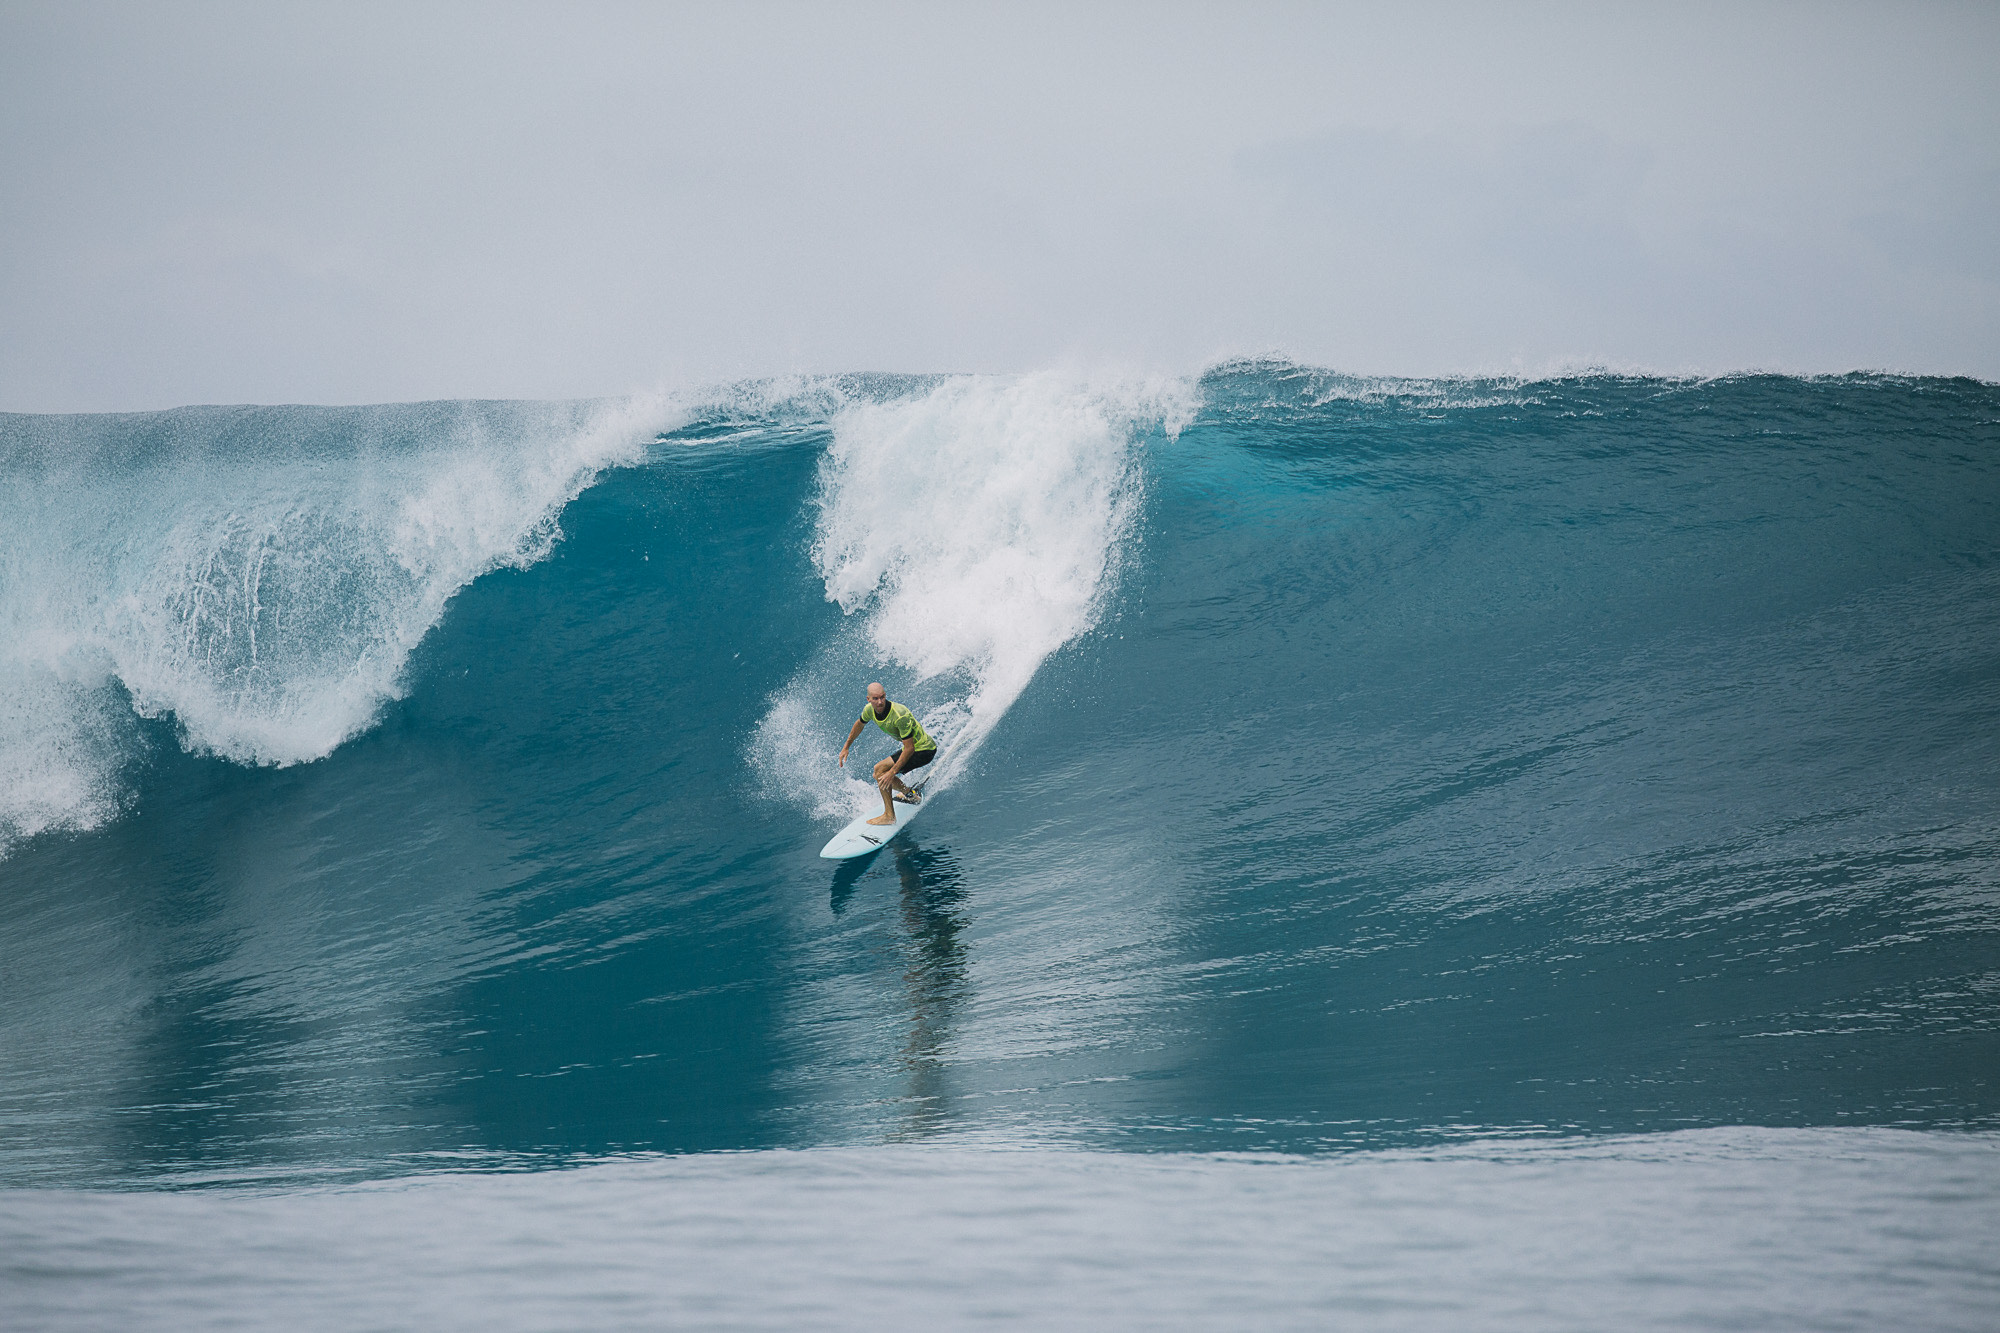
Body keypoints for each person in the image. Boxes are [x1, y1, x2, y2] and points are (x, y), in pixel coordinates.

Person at [838, 682, 938, 825]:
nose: (880, 702)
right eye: (875, 698)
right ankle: (910, 795)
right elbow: (859, 724)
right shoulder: (869, 710)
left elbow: (909, 749)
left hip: (923, 750)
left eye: (882, 697)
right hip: (914, 747)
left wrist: (892, 772)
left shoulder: (899, 714)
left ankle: (889, 816)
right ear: (869, 699)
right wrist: (846, 746)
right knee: (878, 774)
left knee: (881, 772)